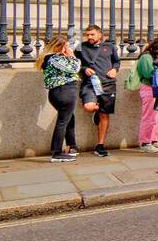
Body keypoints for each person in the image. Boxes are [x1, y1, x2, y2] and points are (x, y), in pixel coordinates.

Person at [75, 24, 119, 157]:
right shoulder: (80, 47)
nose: (89, 37)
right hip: (90, 84)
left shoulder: (110, 47)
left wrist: (114, 70)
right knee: (88, 107)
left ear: (100, 35)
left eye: (92, 34)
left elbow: (116, 62)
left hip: (108, 84)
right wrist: (84, 69)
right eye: (87, 35)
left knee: (105, 115)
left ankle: (100, 145)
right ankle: (96, 110)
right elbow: (75, 63)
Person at [37, 33, 81, 163]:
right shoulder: (54, 58)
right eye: (65, 46)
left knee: (69, 118)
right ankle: (57, 152)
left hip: (61, 92)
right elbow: (74, 68)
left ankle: (72, 146)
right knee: (63, 121)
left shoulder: (53, 58)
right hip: (64, 91)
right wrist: (72, 56)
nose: (67, 49)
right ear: (59, 46)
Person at [133, 37, 158, 152]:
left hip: (157, 88)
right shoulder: (146, 57)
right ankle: (145, 142)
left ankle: (155, 140)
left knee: (157, 117)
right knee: (149, 116)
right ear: (157, 47)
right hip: (149, 88)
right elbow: (148, 74)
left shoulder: (157, 57)